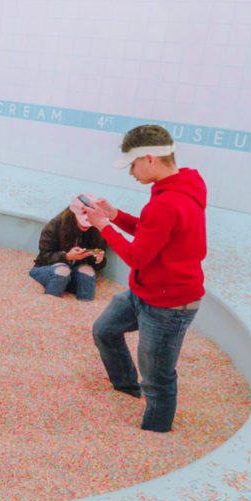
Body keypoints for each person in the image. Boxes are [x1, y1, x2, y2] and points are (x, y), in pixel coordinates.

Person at [83, 125, 207, 433]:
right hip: (145, 291)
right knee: (105, 330)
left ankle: (155, 431)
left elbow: (137, 256)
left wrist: (103, 226)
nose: (131, 173)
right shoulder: (179, 188)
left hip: (170, 304)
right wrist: (116, 215)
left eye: (133, 165)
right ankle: (127, 386)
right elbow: (152, 232)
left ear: (150, 159)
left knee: (158, 376)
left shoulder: (167, 202)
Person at [29, 194, 108, 301]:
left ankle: (85, 309)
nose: (86, 224)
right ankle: (50, 305)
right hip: (47, 268)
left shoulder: (96, 229)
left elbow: (98, 264)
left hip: (74, 272)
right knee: (62, 271)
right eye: (83, 219)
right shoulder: (54, 226)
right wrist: (66, 257)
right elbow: (43, 257)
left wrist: (99, 259)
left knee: (87, 272)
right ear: (73, 213)